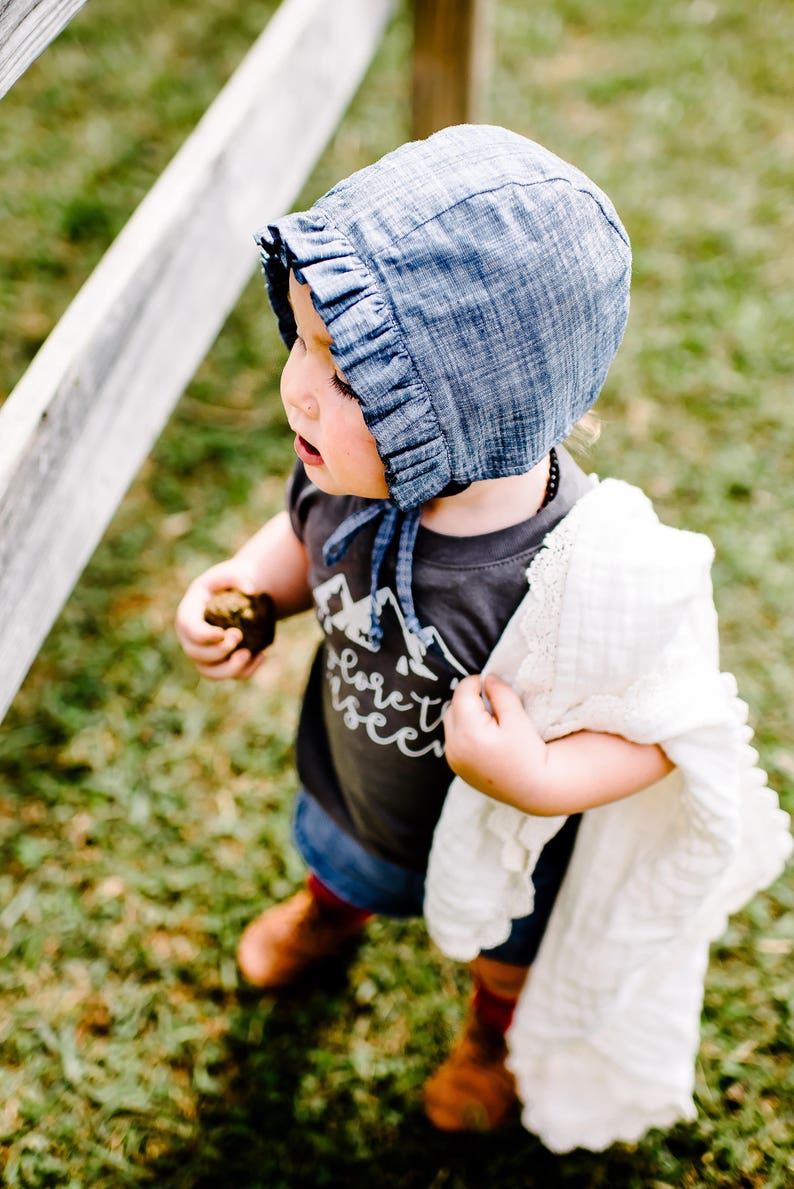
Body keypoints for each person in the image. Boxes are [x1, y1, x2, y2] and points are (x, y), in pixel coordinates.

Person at [176, 125, 791, 1150]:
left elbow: (661, 727)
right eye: (297, 339)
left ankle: (489, 1038)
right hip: (360, 778)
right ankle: (332, 914)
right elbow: (299, 539)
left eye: (341, 371)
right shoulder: (343, 476)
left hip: (511, 841)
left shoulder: (581, 569)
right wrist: (249, 587)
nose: (296, 386)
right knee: (340, 856)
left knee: (508, 952)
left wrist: (535, 777)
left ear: (462, 412)